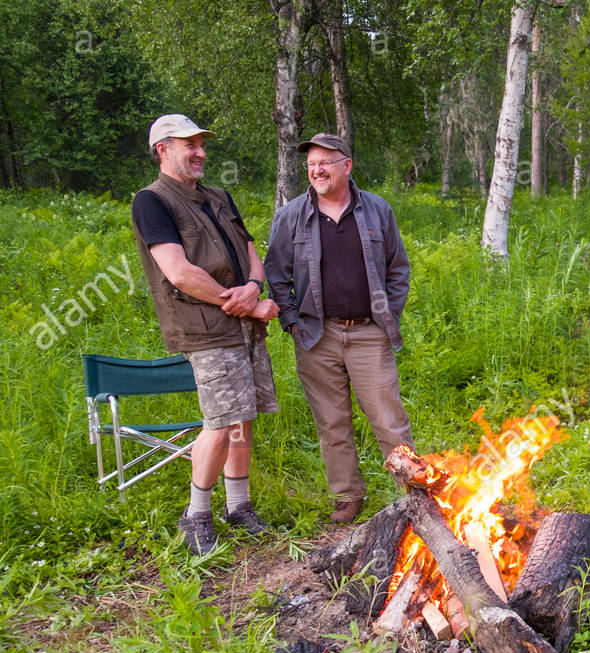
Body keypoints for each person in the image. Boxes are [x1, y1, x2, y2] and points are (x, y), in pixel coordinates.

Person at [131, 114, 280, 556]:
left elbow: (252, 252)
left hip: (243, 324)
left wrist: (254, 288)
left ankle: (239, 507)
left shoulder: (217, 196)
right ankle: (195, 515)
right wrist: (247, 303)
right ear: (163, 150)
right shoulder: (151, 201)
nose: (200, 152)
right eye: (189, 145)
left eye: (201, 144)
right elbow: (178, 272)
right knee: (219, 423)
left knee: (242, 417)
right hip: (206, 328)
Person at [265, 133, 414, 524]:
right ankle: (348, 496)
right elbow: (276, 276)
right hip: (316, 335)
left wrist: (388, 317)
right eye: (311, 164)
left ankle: (414, 493)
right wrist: (292, 322)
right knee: (332, 422)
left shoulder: (377, 211)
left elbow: (398, 269)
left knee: (388, 418)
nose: (316, 170)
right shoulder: (291, 215)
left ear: (346, 165)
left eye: (325, 162)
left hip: (369, 333)